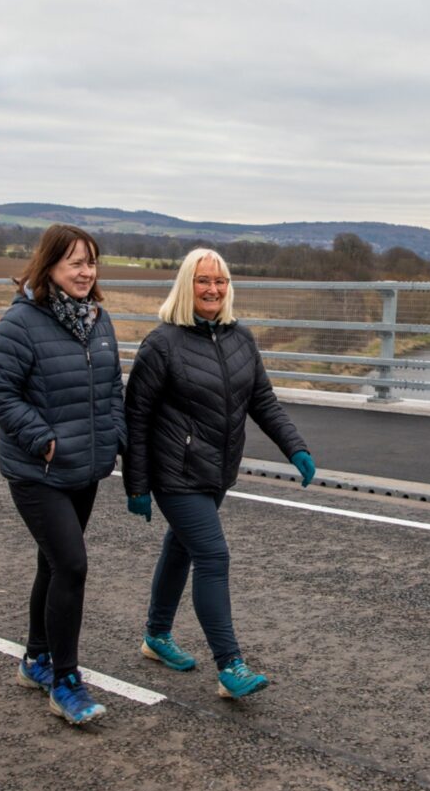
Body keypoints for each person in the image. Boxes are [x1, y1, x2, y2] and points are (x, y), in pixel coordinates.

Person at [123, 248, 317, 699]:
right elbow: (136, 417)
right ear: (185, 285)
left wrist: (295, 447)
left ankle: (156, 635)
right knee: (213, 556)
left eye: (221, 281)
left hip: (217, 469)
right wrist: (137, 485)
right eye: (203, 281)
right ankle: (230, 665)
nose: (213, 289)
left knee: (181, 548)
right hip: (174, 471)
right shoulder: (162, 343)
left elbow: (263, 401)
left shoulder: (240, 338)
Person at [0, 223, 126, 726]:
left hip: (86, 467)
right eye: (75, 263)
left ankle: (35, 660)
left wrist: (114, 437)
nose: (86, 272)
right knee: (72, 565)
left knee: (52, 563)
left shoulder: (97, 320)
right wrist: (43, 439)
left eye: (91, 262)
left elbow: (112, 390)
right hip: (37, 471)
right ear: (49, 267)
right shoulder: (20, 324)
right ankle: (65, 680)